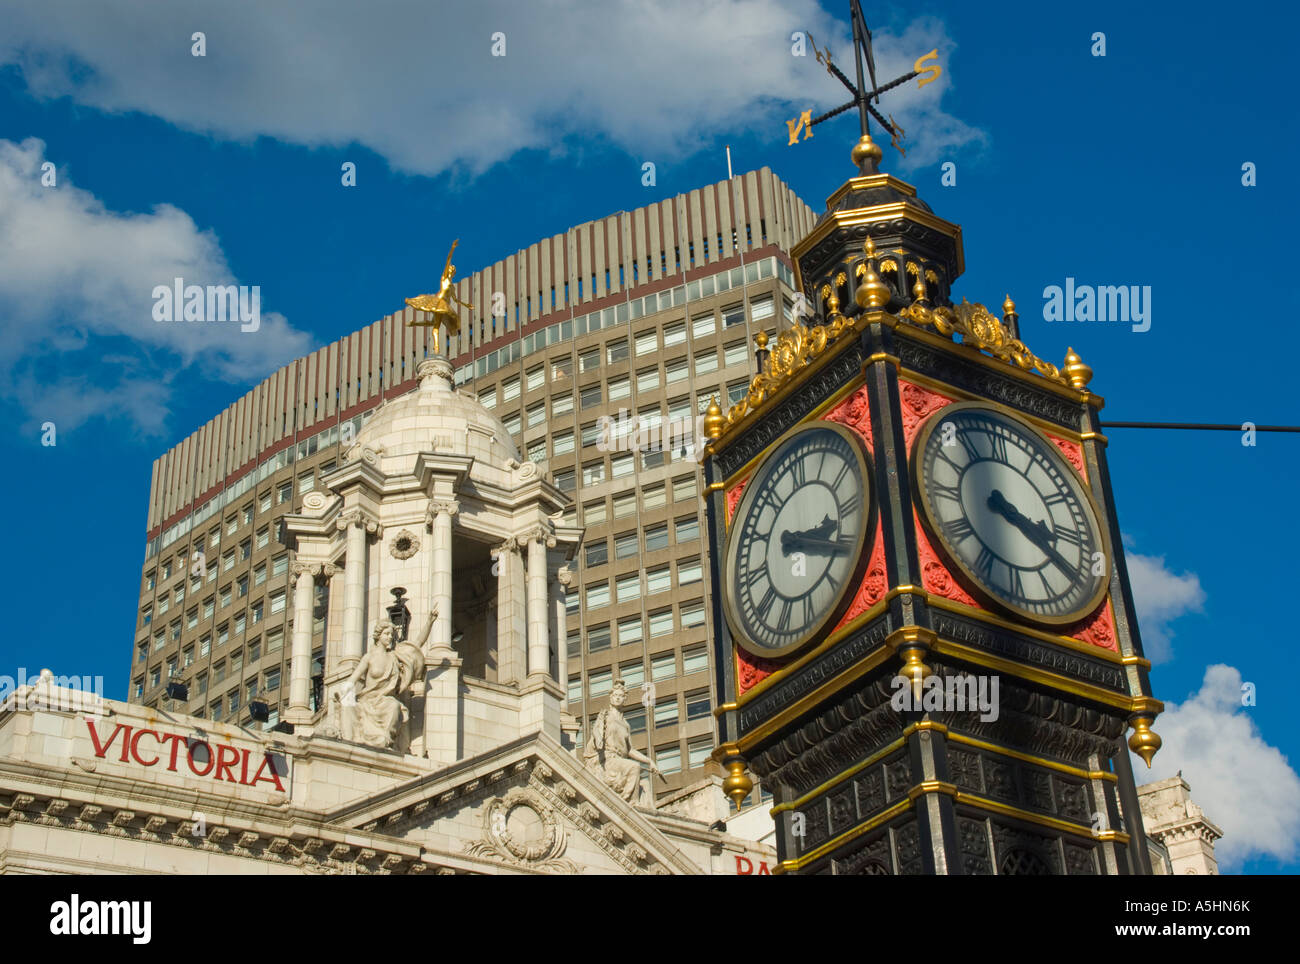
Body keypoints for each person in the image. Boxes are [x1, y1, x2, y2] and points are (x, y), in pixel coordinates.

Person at [583, 680, 662, 803]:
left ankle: (634, 809)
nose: (617, 698)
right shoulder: (605, 715)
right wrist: (598, 739)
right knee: (634, 767)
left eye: (620, 696)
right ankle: (629, 804)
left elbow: (630, 750)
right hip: (608, 760)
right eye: (615, 695)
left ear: (625, 699)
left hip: (619, 761)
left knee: (645, 783)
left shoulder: (626, 724)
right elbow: (596, 731)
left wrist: (649, 761)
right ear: (610, 697)